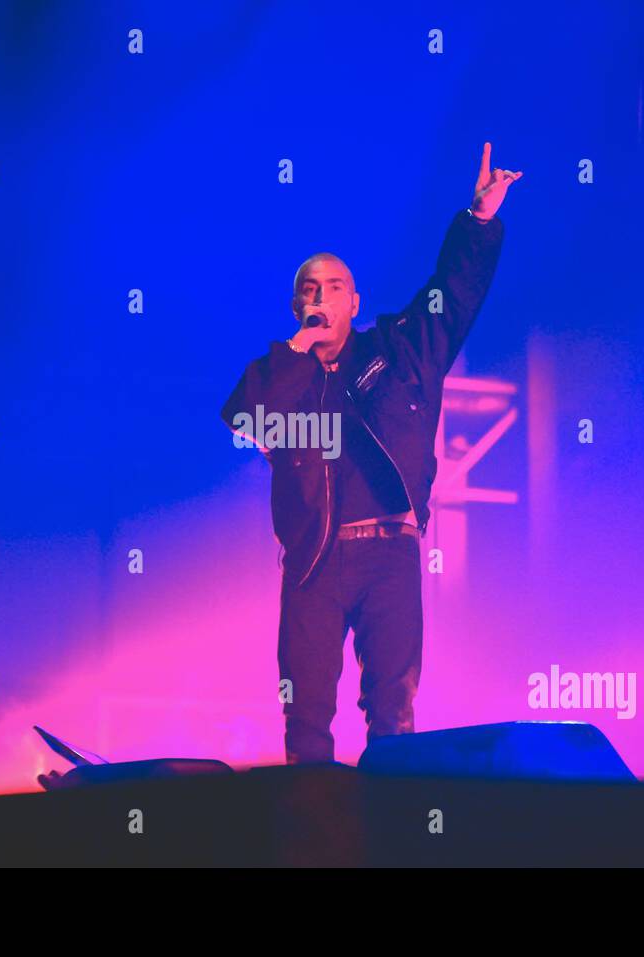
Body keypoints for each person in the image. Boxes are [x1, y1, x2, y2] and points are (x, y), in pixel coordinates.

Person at [222, 143, 522, 763]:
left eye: (334, 287)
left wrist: (479, 220)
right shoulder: (282, 376)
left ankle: (393, 817)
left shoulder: (401, 353)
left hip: (389, 550)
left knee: (392, 710)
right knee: (305, 713)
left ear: (354, 303)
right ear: (297, 306)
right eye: (310, 290)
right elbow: (248, 420)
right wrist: (297, 348)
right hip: (313, 558)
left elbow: (452, 295)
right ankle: (311, 820)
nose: (321, 297)